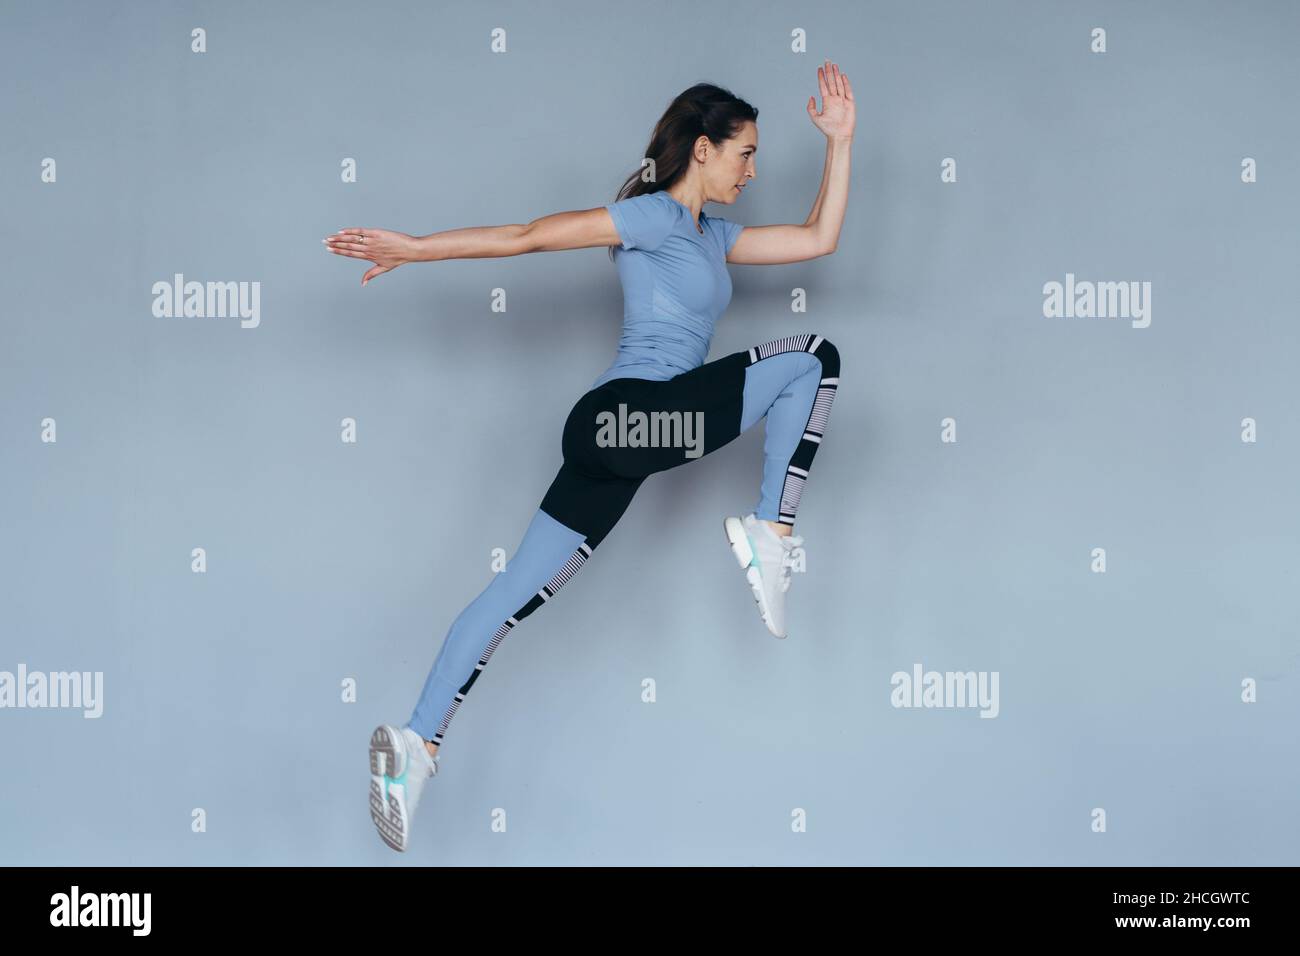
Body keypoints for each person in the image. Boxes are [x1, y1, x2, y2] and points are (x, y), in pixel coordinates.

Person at [325, 61, 855, 852]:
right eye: (745, 153)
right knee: (813, 357)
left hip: (626, 447)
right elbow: (529, 235)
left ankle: (416, 746)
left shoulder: (717, 238)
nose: (754, 170)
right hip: (624, 419)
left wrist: (840, 145)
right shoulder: (650, 219)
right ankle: (768, 534)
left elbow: (818, 237)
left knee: (513, 592)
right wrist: (415, 249)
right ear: (704, 150)